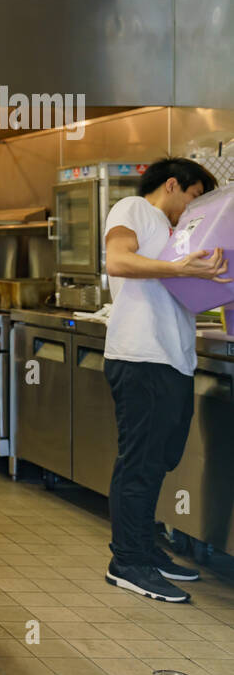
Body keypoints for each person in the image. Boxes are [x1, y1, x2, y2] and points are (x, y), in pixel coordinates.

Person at [101, 157, 227, 602]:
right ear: (173, 184)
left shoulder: (175, 235)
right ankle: (127, 563)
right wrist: (182, 269)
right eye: (195, 197)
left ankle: (144, 550)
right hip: (140, 357)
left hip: (172, 361)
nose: (195, 208)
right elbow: (118, 261)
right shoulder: (134, 209)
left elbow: (180, 292)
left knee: (157, 462)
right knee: (138, 463)